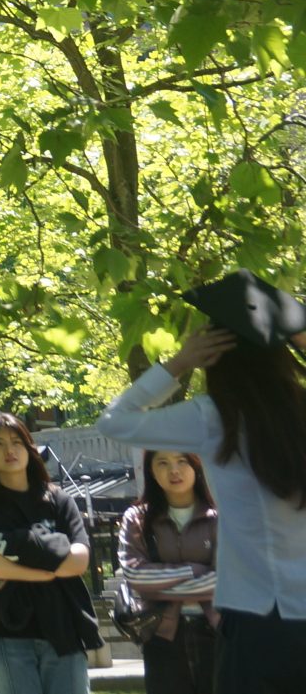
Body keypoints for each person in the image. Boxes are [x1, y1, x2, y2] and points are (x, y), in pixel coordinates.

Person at [96, 278, 306, 693]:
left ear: (216, 358)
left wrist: (178, 363)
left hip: (254, 620)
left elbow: (114, 421)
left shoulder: (215, 416)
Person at [0, 412, 101, 693]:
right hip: (3, 633)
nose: (9, 450)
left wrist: (2, 555)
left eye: (16, 442)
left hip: (63, 631)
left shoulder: (58, 499)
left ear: (30, 448)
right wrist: (44, 569)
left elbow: (79, 561)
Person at [116, 450, 218, 694]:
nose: (174, 470)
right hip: (161, 634)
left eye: (182, 461)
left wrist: (160, 585)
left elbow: (227, 580)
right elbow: (135, 576)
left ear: (196, 465)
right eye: (163, 462)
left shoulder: (219, 517)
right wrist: (195, 570)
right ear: (151, 470)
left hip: (217, 631)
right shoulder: (137, 518)